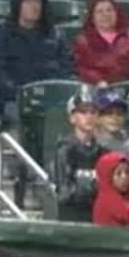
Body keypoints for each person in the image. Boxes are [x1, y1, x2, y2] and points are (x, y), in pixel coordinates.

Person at [0, 0, 73, 138]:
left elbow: (67, 68)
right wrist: (18, 94)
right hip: (15, 99)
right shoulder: (1, 33)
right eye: (29, 1)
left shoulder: (55, 35)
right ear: (18, 4)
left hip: (53, 100)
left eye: (38, 2)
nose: (35, 6)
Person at [72, 0, 129, 86]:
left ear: (117, 14)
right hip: (96, 90)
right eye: (99, 12)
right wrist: (98, 82)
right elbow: (81, 70)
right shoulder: (82, 42)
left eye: (109, 10)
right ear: (92, 18)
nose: (105, 15)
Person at [50, 87, 104, 223]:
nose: (89, 116)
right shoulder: (65, 149)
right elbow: (64, 193)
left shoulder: (103, 151)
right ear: (72, 118)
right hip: (70, 221)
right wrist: (92, 188)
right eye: (83, 112)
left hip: (95, 220)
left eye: (93, 112)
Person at [93, 87, 129, 169]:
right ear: (98, 117)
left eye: (119, 114)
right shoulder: (91, 145)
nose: (115, 118)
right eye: (109, 113)